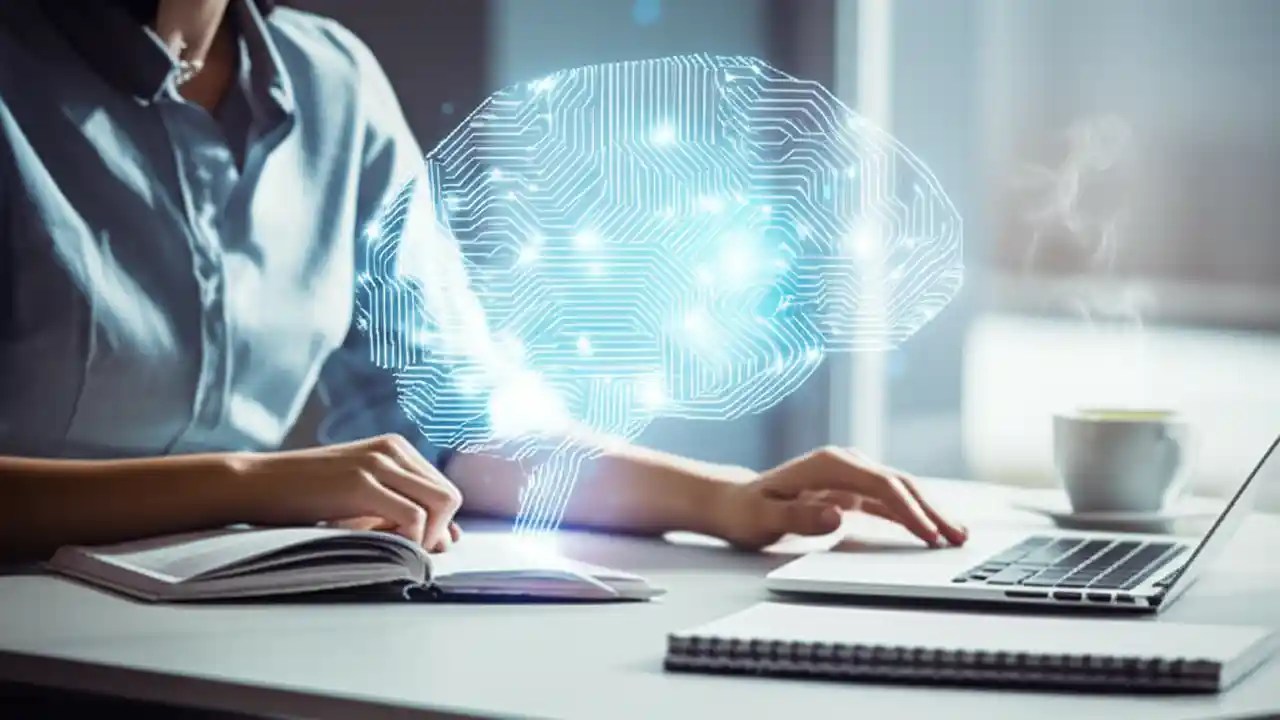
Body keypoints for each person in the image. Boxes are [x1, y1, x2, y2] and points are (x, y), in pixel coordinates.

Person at [0, 0, 967, 563]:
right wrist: (254, 485)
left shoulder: (333, 81)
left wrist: (728, 498)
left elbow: (459, 431)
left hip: (218, 630)